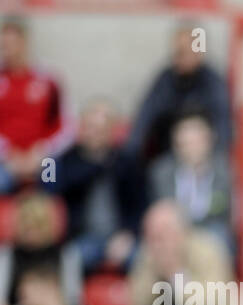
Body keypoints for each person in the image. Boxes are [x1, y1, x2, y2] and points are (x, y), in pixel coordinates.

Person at [126, 199, 243, 305]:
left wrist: (175, 273)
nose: (158, 243)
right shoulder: (148, 254)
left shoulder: (208, 251)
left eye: (164, 233)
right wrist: (156, 272)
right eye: (152, 236)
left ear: (181, 231)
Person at [46, 99, 144, 274]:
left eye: (100, 130)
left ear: (112, 131)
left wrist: (128, 234)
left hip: (121, 235)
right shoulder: (64, 160)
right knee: (71, 259)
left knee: (142, 258)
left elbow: (140, 205)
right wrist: (94, 166)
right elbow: (48, 187)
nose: (93, 135)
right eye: (88, 128)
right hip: (83, 237)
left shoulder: (127, 162)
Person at [128, 23, 232, 165]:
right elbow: (145, 117)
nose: (177, 58)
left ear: (198, 52)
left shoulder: (213, 83)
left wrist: (214, 162)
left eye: (182, 52)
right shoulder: (165, 79)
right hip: (168, 157)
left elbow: (223, 127)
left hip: (204, 160)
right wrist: (131, 153)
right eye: (176, 52)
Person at [0, 17, 74, 194]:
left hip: (43, 157)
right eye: (4, 44)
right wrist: (7, 154)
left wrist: (43, 151)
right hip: (5, 159)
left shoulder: (49, 80)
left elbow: (67, 125)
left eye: (12, 43)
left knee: (53, 180)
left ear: (25, 42)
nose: (7, 49)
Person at [148, 111, 234, 254]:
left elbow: (225, 213)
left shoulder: (225, 171)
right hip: (173, 230)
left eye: (197, 142)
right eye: (185, 143)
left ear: (209, 140)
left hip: (210, 230)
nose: (192, 149)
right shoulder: (161, 172)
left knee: (220, 238)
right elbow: (161, 210)